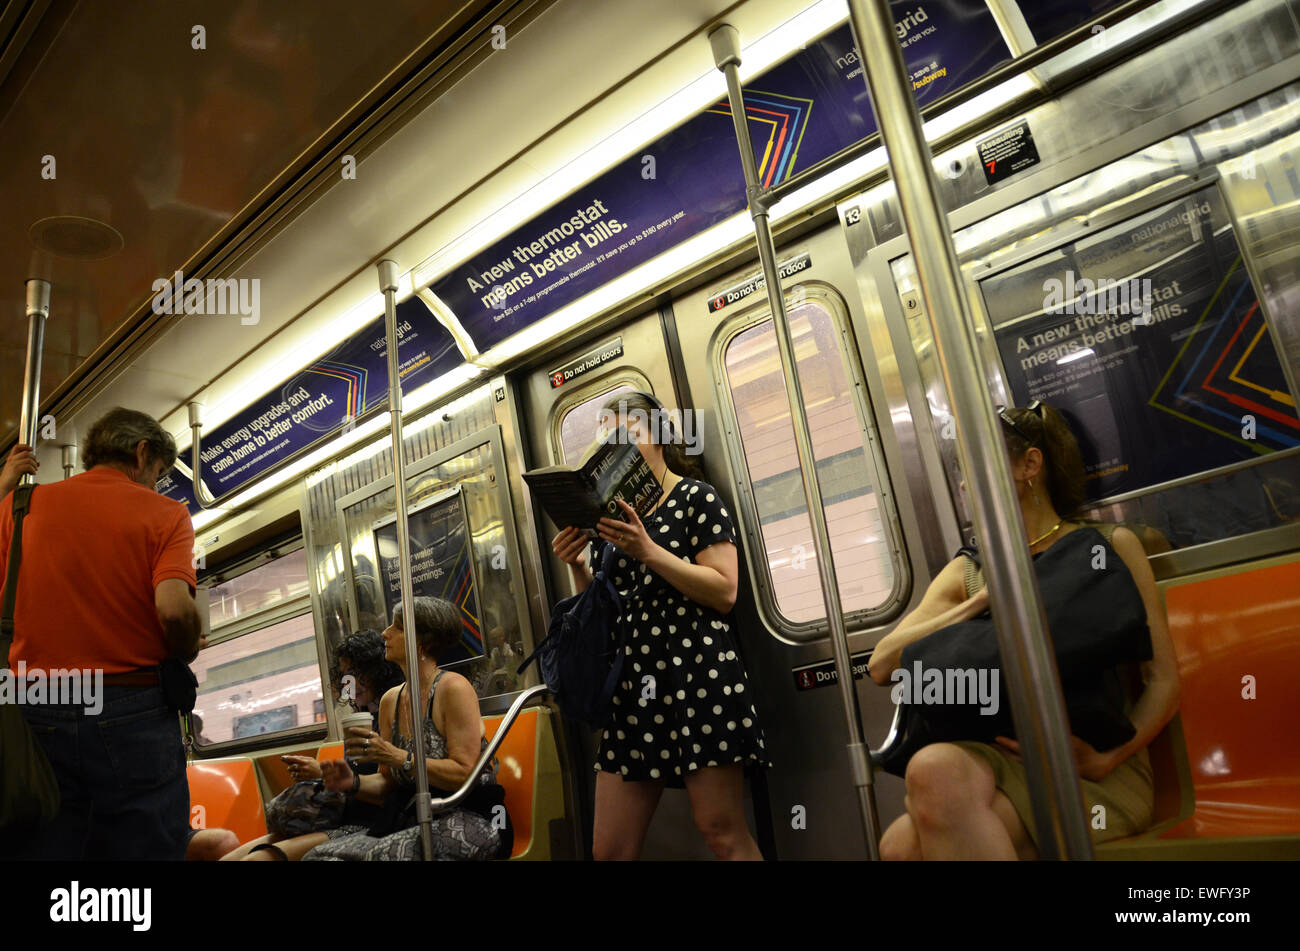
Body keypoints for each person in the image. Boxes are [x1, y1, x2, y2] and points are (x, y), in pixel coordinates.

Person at [866, 401, 1181, 860]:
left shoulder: (1109, 548)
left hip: (1093, 769)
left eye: (974, 465)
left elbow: (1164, 681)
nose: (962, 482)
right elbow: (881, 664)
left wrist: (1108, 757)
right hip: (995, 760)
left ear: (1030, 464)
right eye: (961, 470)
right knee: (928, 771)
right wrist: (979, 601)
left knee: (902, 847)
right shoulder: (970, 571)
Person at [551, 391, 769, 861]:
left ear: (661, 437)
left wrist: (648, 550)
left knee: (720, 830)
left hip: (698, 671)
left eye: (628, 433)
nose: (618, 446)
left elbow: (725, 591)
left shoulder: (695, 498)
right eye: (607, 438)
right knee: (609, 850)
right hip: (635, 683)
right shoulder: (615, 520)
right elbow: (609, 609)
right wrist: (580, 567)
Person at [0, 408, 202, 860]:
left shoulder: (20, 507)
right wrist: (188, 640)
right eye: (158, 473)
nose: (155, 485)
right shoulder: (167, 514)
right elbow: (172, 610)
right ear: (142, 452)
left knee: (47, 847)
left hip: (33, 705)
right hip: (129, 703)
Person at [303, 598, 503, 861]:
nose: (385, 633)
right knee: (315, 857)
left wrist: (400, 758)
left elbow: (465, 773)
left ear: (423, 640)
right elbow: (387, 783)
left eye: (397, 627)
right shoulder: (390, 700)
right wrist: (352, 783)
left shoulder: (453, 688)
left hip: (467, 816)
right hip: (412, 819)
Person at [220, 629, 403, 861]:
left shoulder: (392, 716)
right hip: (337, 815)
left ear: (376, 670)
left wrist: (325, 775)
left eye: (357, 673)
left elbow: (387, 789)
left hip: (366, 823)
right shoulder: (363, 719)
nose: (351, 683)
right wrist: (321, 773)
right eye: (346, 675)